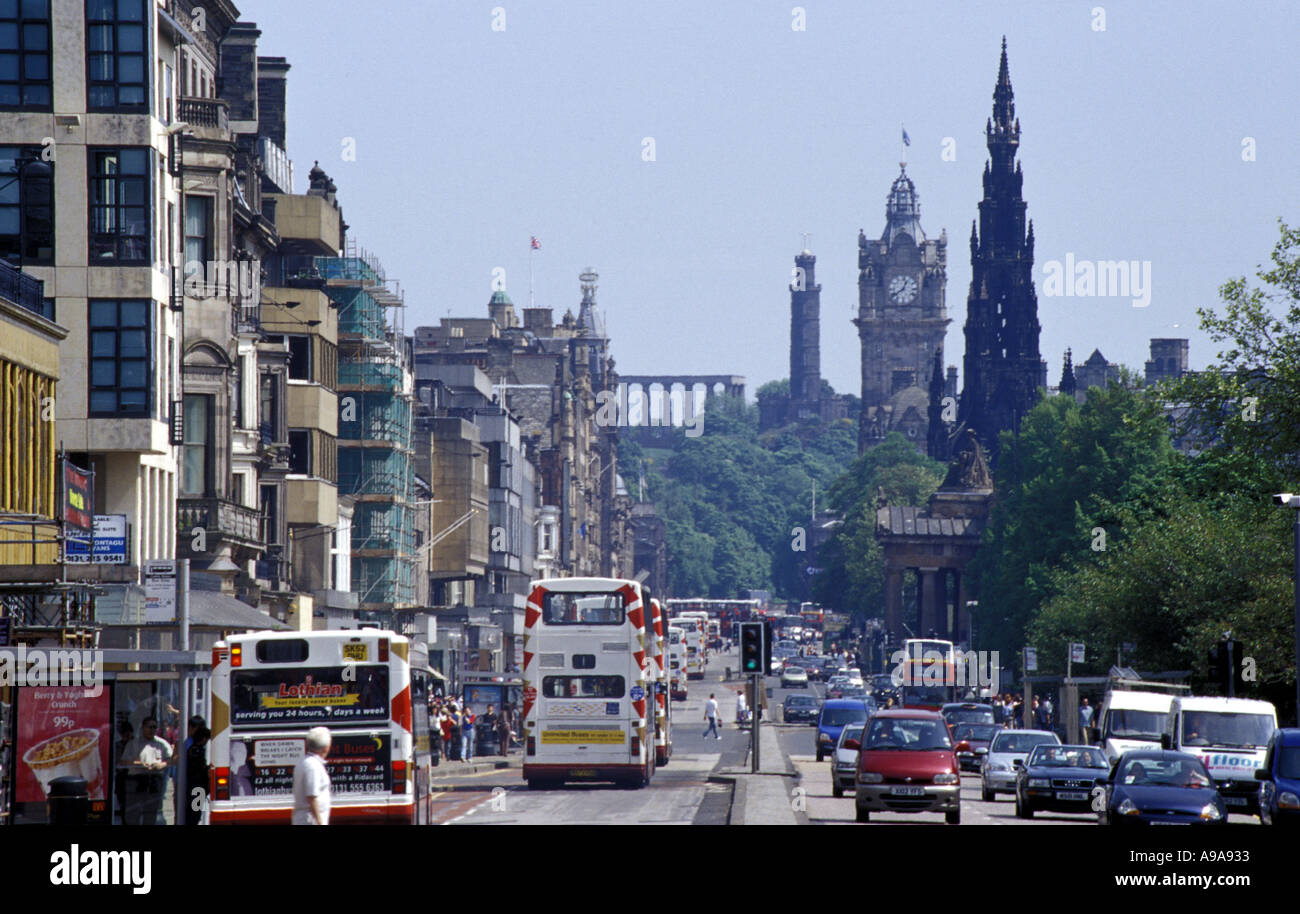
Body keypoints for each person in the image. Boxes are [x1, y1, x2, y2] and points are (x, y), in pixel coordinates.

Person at [121, 716, 172, 825]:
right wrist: (138, 764)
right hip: (136, 779)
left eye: (154, 727)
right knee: (133, 812)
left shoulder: (162, 744)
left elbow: (170, 760)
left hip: (154, 779)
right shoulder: (133, 743)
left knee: (151, 812)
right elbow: (123, 761)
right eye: (149, 727)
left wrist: (162, 765)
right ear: (143, 727)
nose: (152, 730)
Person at [292, 727, 332, 825]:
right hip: (310, 820)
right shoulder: (313, 766)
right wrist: (319, 821)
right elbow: (311, 796)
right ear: (326, 748)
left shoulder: (305, 762)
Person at [185, 719, 210, 825]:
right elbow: (200, 769)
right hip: (198, 787)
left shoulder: (191, 749)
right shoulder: (197, 751)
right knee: (195, 814)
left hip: (193, 786)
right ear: (204, 739)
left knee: (193, 813)